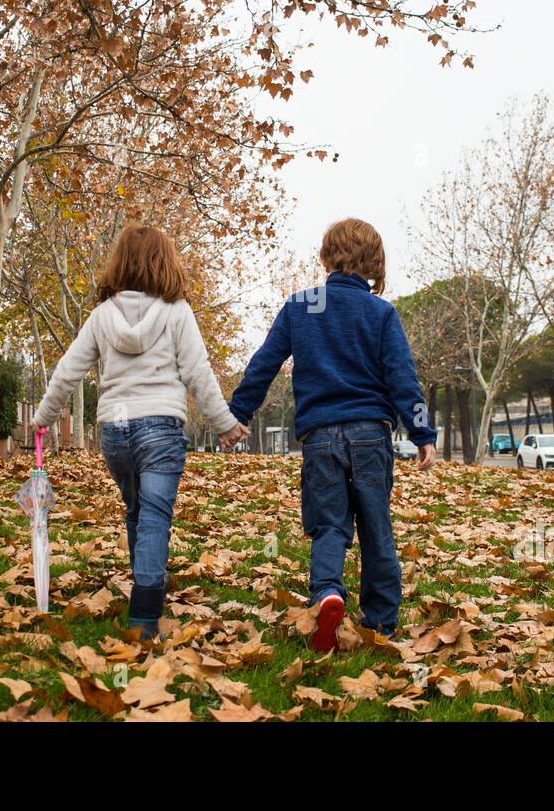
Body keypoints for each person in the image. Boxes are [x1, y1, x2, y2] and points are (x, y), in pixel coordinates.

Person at [226, 218, 436, 651]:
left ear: (326, 256)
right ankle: (381, 621)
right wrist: (422, 432)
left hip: (320, 436)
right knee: (377, 527)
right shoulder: (380, 312)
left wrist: (237, 414)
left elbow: (264, 364)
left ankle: (327, 593)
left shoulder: (301, 305)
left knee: (329, 526)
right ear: (375, 263)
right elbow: (402, 378)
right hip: (370, 437)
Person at [32, 224, 248, 640]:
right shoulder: (176, 311)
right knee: (154, 516)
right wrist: (224, 424)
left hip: (115, 430)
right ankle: (146, 612)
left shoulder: (101, 316)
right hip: (161, 428)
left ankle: (146, 584)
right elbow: (197, 373)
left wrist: (44, 417)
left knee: (137, 511)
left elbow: (68, 372)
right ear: (164, 263)